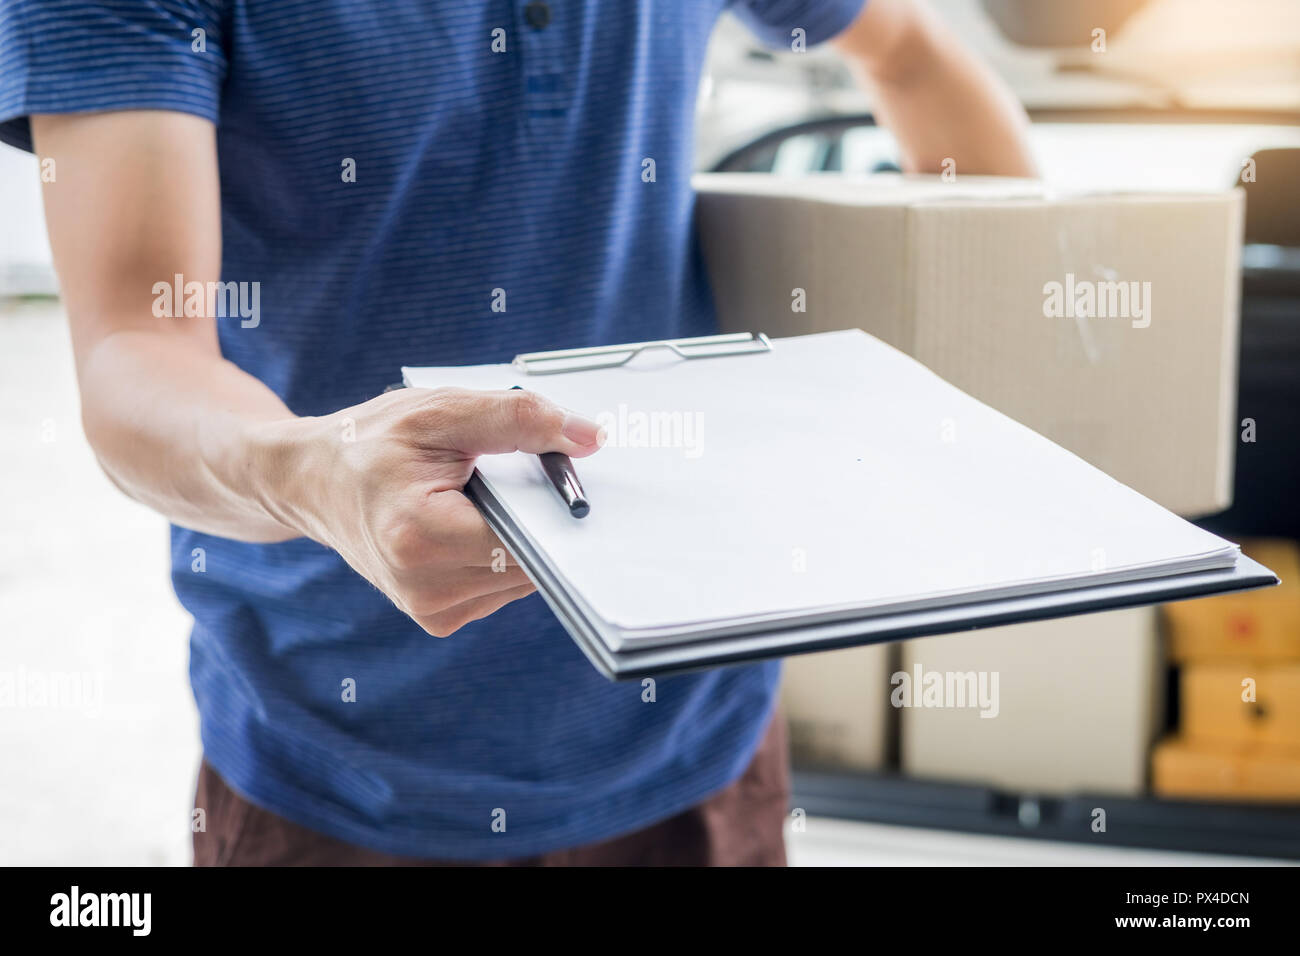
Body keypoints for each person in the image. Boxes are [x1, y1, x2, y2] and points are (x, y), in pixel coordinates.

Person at [1, 0, 1034, 865]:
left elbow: (906, 49)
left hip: (696, 738)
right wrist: (312, 474)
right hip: (338, 770)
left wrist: (1012, 352)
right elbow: (134, 342)